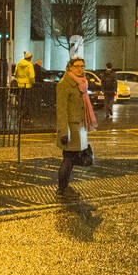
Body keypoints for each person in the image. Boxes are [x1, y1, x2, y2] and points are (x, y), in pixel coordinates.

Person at [56, 57, 90, 195]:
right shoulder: (65, 84)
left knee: (73, 157)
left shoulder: (81, 83)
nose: (80, 68)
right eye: (76, 66)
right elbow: (61, 109)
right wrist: (63, 131)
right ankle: (62, 188)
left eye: (82, 66)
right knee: (68, 157)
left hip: (79, 127)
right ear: (69, 67)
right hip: (70, 127)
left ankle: (65, 186)